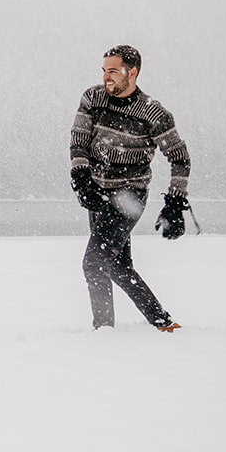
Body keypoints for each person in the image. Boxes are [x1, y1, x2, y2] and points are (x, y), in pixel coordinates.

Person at [69, 44, 190, 331]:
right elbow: (79, 141)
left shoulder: (153, 114)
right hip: (97, 192)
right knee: (117, 266)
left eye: (113, 71)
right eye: (104, 70)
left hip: (128, 196)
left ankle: (103, 331)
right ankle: (162, 322)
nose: (106, 76)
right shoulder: (93, 98)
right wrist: (81, 178)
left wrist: (174, 203)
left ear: (132, 72)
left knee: (95, 263)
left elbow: (180, 158)